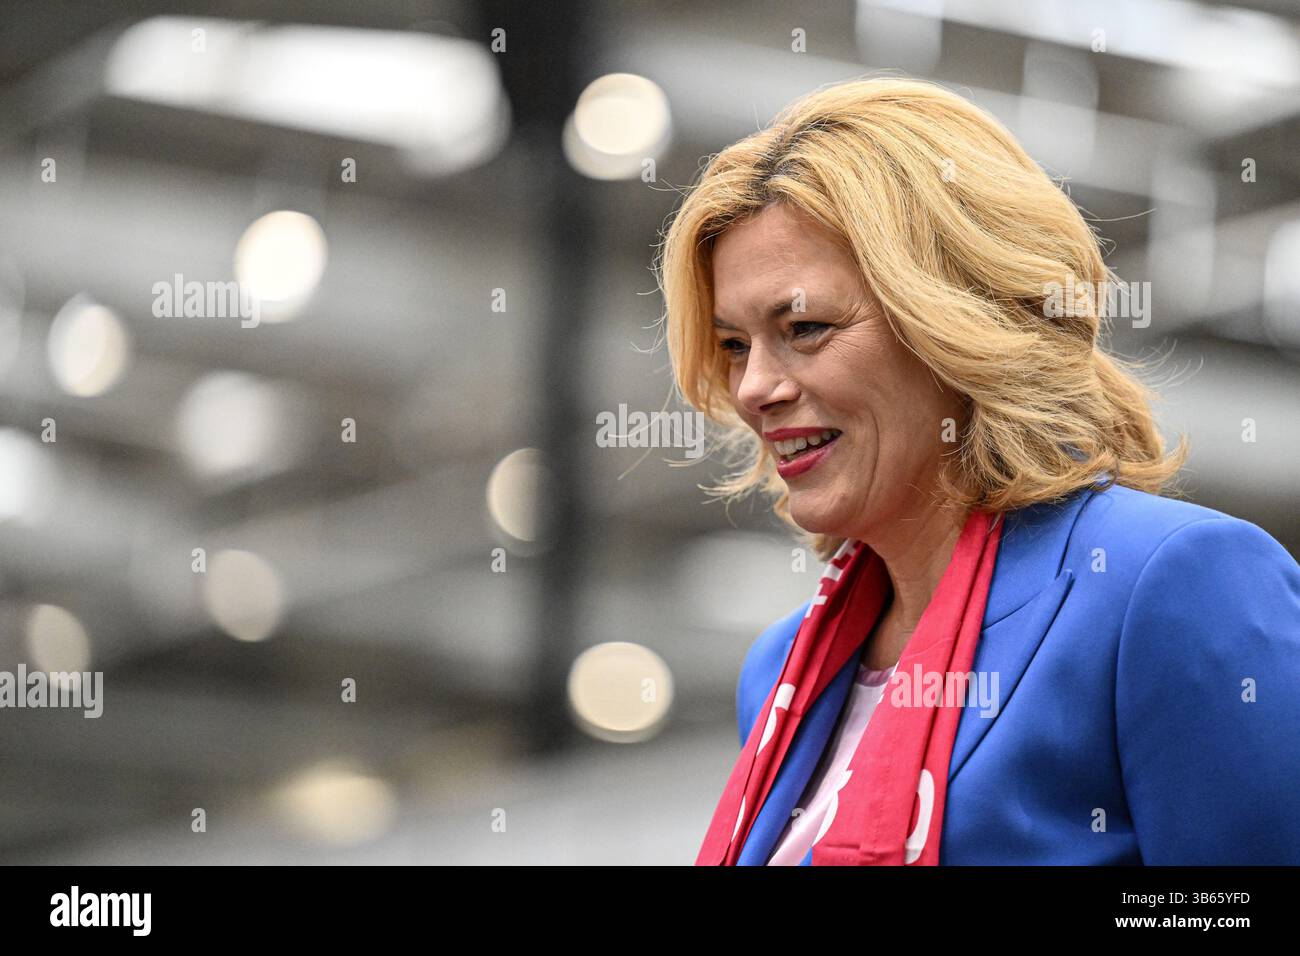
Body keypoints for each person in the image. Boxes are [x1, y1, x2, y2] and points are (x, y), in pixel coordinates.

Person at [655, 76, 1300, 865]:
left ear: (960, 320)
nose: (754, 387)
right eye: (733, 345)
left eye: (805, 327)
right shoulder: (780, 669)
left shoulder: (1171, 583)